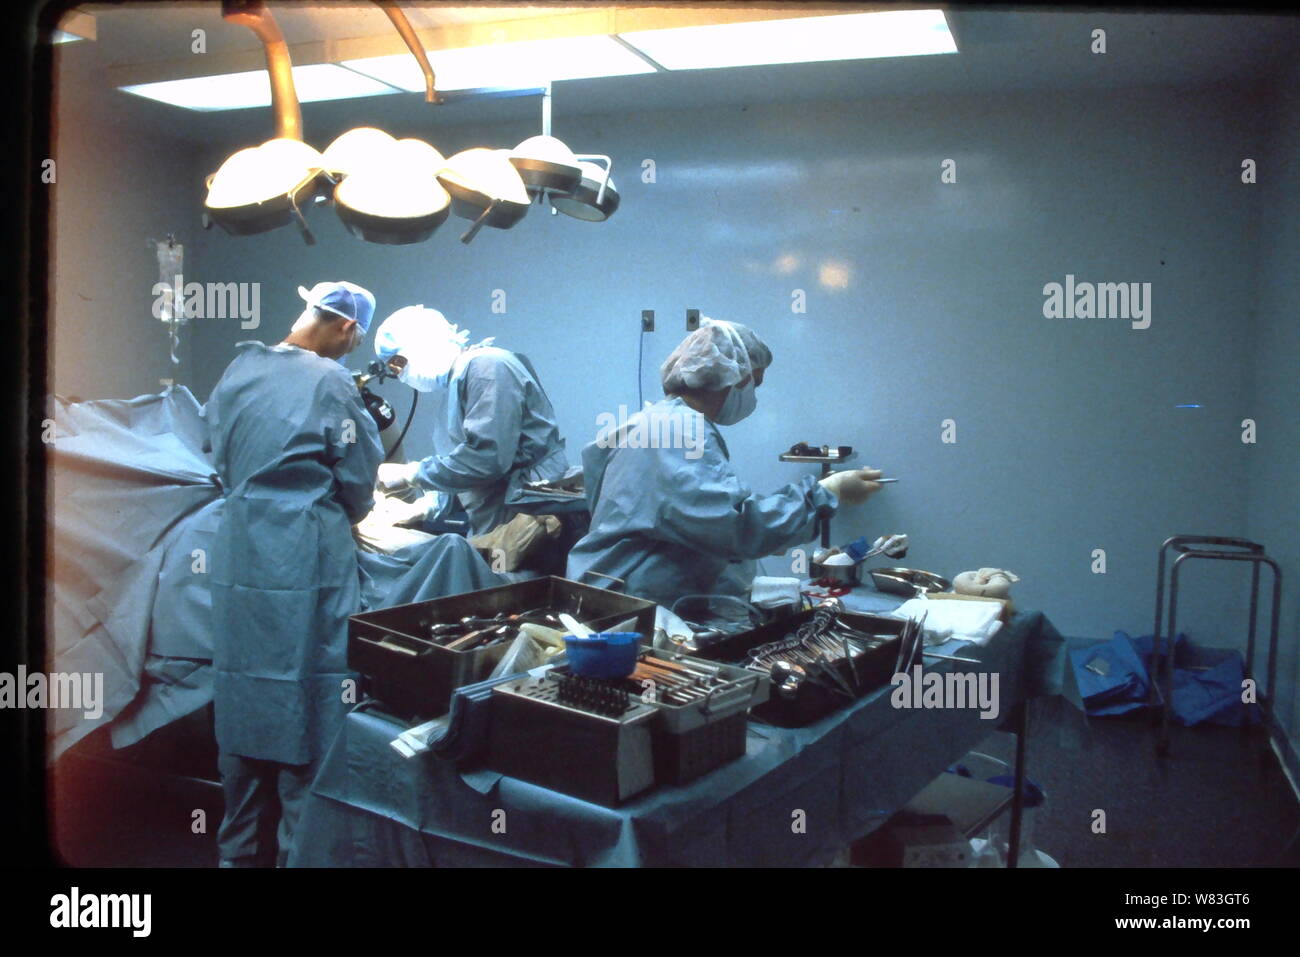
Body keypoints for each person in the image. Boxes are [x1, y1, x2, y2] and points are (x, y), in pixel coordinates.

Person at [204, 281, 384, 867]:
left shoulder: (239, 366)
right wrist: (344, 509)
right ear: (349, 329)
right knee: (309, 697)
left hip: (237, 550)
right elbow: (358, 477)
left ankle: (236, 856)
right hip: (306, 554)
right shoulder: (331, 380)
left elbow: (221, 458)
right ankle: (301, 855)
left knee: (244, 693)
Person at [566, 318, 883, 608]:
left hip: (616, 594)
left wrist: (766, 537)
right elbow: (737, 527)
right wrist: (828, 493)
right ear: (730, 376)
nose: (754, 397)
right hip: (635, 606)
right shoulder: (679, 431)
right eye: (754, 383)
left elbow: (689, 521)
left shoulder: (650, 422)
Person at [373, 306, 571, 541]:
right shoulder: (461, 381)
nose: (400, 374)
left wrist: (411, 473)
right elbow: (464, 474)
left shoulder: (487, 367)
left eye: (398, 363)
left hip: (529, 520)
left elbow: (486, 460)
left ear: (424, 343)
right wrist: (425, 507)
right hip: (499, 522)